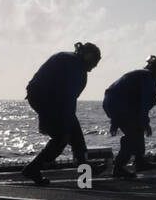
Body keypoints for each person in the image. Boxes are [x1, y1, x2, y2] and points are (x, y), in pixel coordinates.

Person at [22, 42, 104, 185]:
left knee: (76, 135)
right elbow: (68, 98)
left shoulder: (71, 61)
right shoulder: (75, 67)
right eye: (95, 62)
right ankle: (33, 169)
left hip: (48, 99)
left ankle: (84, 172)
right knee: (62, 137)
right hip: (48, 101)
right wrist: (50, 120)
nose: (94, 67)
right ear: (88, 56)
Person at [103, 55, 156, 179]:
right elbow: (143, 103)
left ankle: (139, 161)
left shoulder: (143, 76)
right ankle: (119, 167)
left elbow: (140, 104)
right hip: (119, 105)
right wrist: (145, 122)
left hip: (118, 104)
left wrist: (143, 122)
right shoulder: (148, 78)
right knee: (133, 134)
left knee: (137, 130)